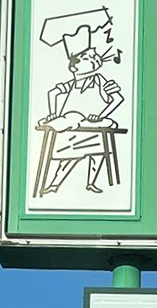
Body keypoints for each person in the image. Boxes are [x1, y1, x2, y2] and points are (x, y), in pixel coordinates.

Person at [38, 38, 124, 195]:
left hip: (94, 125)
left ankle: (91, 182)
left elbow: (118, 99)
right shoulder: (71, 84)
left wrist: (99, 115)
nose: (94, 59)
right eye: (87, 57)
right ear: (74, 67)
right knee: (69, 153)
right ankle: (54, 184)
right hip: (73, 126)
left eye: (94, 56)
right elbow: (53, 93)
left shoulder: (99, 80)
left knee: (98, 151)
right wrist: (54, 112)